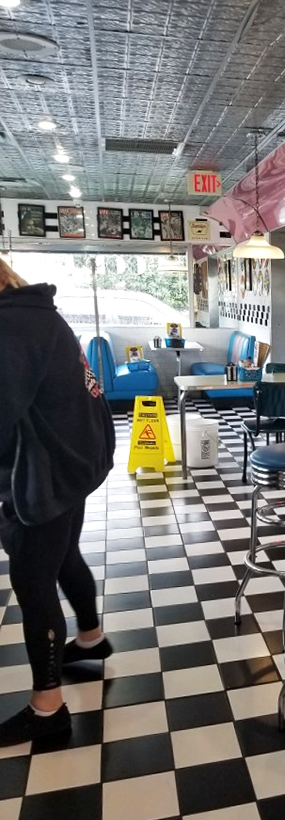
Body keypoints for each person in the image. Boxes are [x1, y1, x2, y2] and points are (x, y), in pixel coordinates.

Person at [0, 259, 116, 747]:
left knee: (32, 578)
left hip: (45, 474)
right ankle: (90, 638)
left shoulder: (10, 326)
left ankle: (48, 707)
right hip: (78, 460)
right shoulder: (42, 313)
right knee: (65, 553)